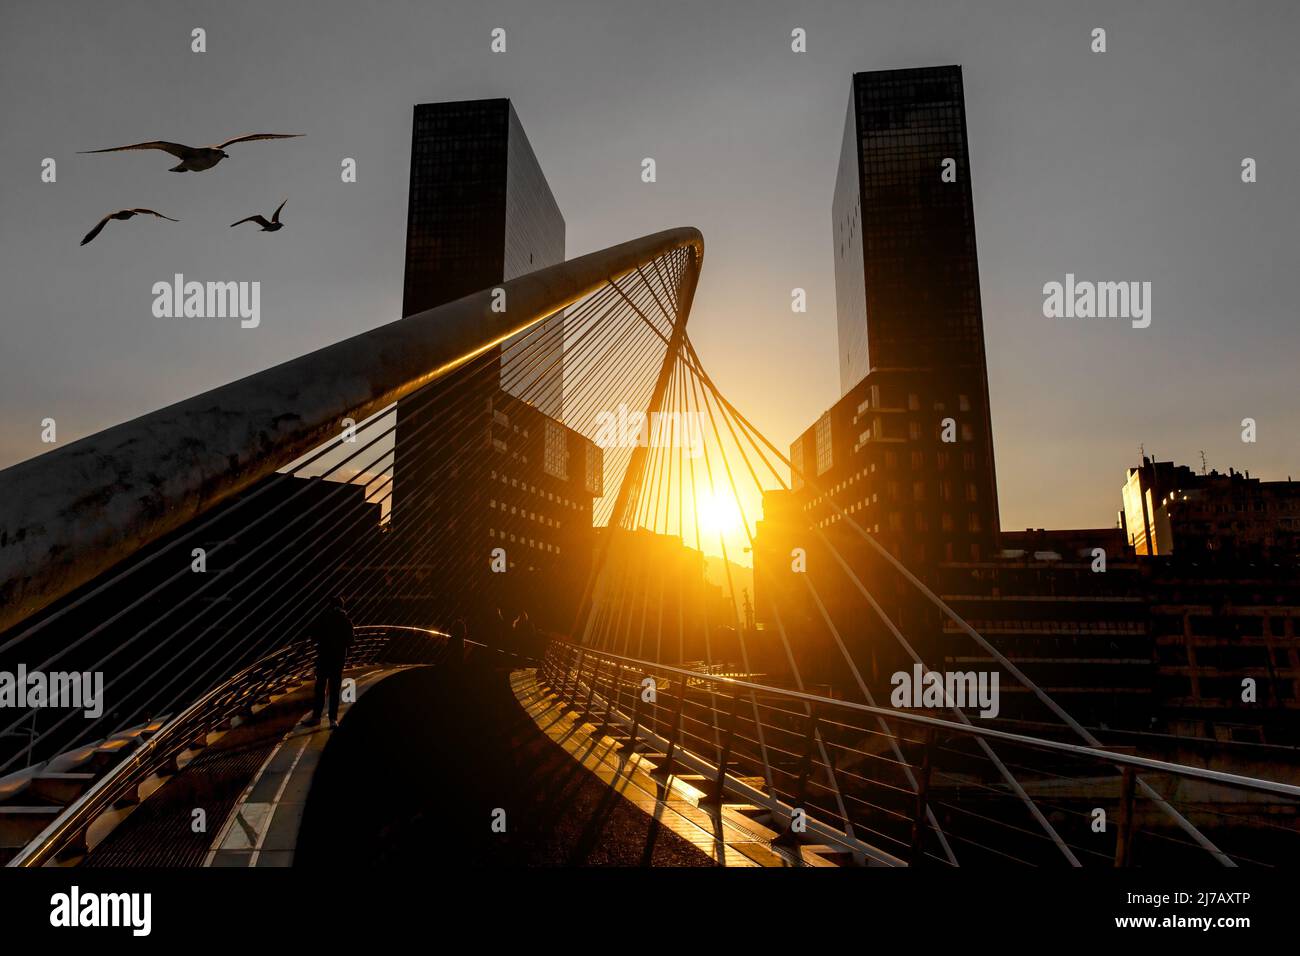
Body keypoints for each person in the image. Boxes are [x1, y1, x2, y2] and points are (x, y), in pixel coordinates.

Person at [304, 595, 353, 729]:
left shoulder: (324, 618)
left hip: (323, 658)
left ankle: (316, 717)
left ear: (330, 606)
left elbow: (313, 636)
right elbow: (350, 642)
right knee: (335, 689)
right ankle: (333, 719)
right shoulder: (346, 621)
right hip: (338, 660)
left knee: (320, 688)